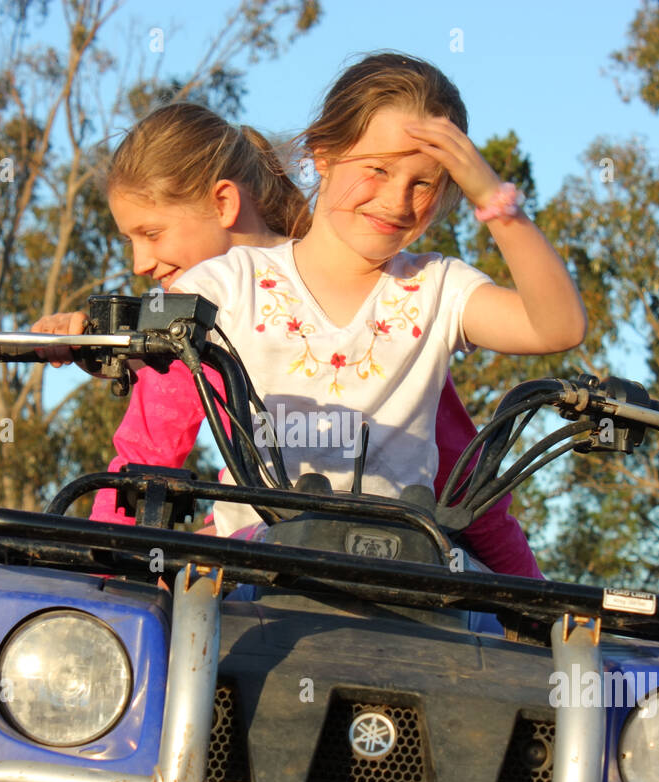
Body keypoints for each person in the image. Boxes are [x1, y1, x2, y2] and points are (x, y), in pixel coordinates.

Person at [38, 72, 576, 574]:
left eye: (426, 183)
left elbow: (557, 328)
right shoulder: (227, 283)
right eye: (378, 169)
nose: (396, 199)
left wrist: (495, 201)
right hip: (255, 573)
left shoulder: (437, 289)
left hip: (399, 571)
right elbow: (149, 372)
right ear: (323, 155)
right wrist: (84, 334)